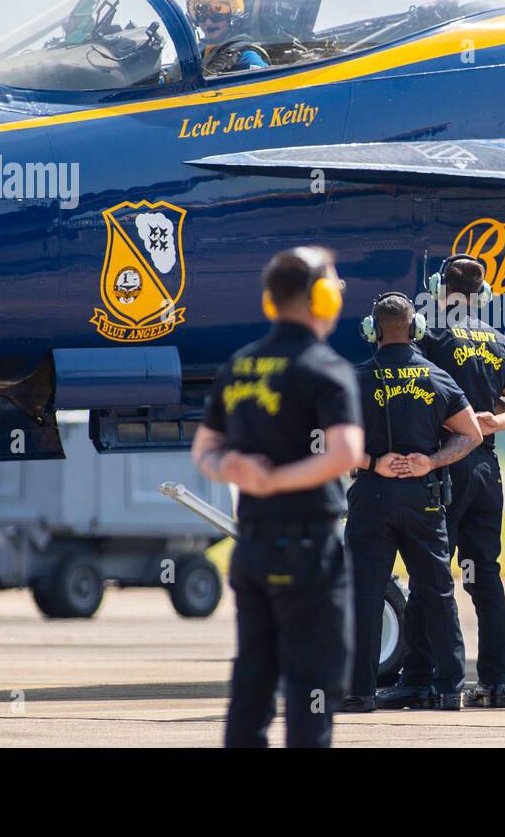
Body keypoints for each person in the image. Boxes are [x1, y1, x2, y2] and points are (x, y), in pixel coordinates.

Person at [191, 246, 363, 748]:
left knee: (252, 683)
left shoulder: (240, 364)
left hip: (253, 547)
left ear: (270, 300)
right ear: (323, 299)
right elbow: (346, 453)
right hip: (308, 548)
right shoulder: (326, 368)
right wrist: (279, 479)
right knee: (312, 686)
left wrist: (235, 471)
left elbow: (204, 449)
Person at [378, 255, 505, 709]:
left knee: (429, 576)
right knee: (484, 575)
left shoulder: (430, 336)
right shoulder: (498, 340)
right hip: (486, 467)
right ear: (483, 293)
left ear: (435, 287)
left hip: (444, 464)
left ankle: (419, 679)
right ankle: (493, 681)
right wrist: (494, 422)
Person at [342, 292, 484, 712]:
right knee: (438, 592)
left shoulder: (355, 379)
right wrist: (430, 461)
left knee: (364, 595)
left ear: (373, 330)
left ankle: (359, 693)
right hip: (423, 498)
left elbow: (326, 444)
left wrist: (375, 462)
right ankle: (448, 690)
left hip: (372, 495)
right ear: (416, 329)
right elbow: (472, 434)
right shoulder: (437, 377)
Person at [186, 0, 270, 74]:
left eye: (218, 9)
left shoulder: (247, 58)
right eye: (201, 12)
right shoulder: (194, 54)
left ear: (234, 12)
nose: (208, 21)